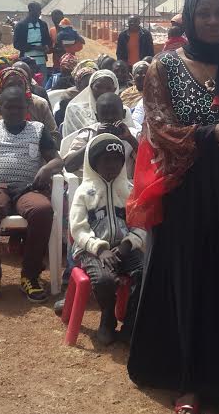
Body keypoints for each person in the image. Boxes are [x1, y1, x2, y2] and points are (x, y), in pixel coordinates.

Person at [126, 0, 219, 414]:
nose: (212, 21)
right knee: (188, 281)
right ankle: (185, 382)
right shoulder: (163, 68)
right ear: (190, 17)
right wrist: (211, 134)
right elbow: (160, 130)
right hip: (184, 191)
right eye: (204, 13)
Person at [0, 86, 63, 305]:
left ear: (27, 108)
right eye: (9, 107)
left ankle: (30, 275)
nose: (15, 111)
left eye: (20, 107)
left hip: (28, 188)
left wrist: (46, 168)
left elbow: (57, 159)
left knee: (43, 211)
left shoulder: (38, 129)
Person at [68, 134, 145, 346]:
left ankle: (131, 324)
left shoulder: (129, 190)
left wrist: (129, 243)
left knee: (145, 273)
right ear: (93, 163)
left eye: (117, 160)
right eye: (105, 160)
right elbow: (78, 228)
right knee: (104, 280)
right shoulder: (84, 192)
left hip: (125, 248)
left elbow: (141, 224)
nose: (112, 165)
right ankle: (107, 318)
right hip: (92, 250)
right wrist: (99, 249)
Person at [0, 66, 59, 143]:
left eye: (20, 84)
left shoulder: (39, 105)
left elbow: (55, 136)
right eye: (10, 85)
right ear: (0, 88)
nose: (16, 89)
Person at [62, 92, 137, 175]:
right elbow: (69, 166)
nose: (110, 117)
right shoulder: (89, 133)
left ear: (123, 114)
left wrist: (130, 139)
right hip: (93, 184)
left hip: (127, 185)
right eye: (104, 114)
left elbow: (149, 163)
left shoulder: (133, 135)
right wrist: (95, 140)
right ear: (97, 117)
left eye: (114, 113)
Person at [62, 70, 132, 137]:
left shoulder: (123, 110)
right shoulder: (75, 110)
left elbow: (131, 136)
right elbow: (71, 140)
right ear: (91, 88)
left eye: (108, 88)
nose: (103, 91)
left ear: (114, 89)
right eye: (98, 87)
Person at [13, 3, 52, 82]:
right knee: (28, 84)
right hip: (26, 63)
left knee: (42, 85)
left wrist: (46, 47)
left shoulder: (43, 25)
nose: (40, 13)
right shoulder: (21, 25)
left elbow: (48, 40)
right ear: (31, 11)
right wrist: (34, 47)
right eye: (38, 11)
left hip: (42, 61)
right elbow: (16, 44)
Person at [55, 63, 96, 129]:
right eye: (86, 85)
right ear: (78, 84)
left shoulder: (97, 96)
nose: (89, 88)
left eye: (91, 85)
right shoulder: (68, 96)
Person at [125, 60, 150, 133]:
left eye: (146, 73)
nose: (143, 75)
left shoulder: (155, 94)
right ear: (133, 76)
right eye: (139, 73)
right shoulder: (126, 94)